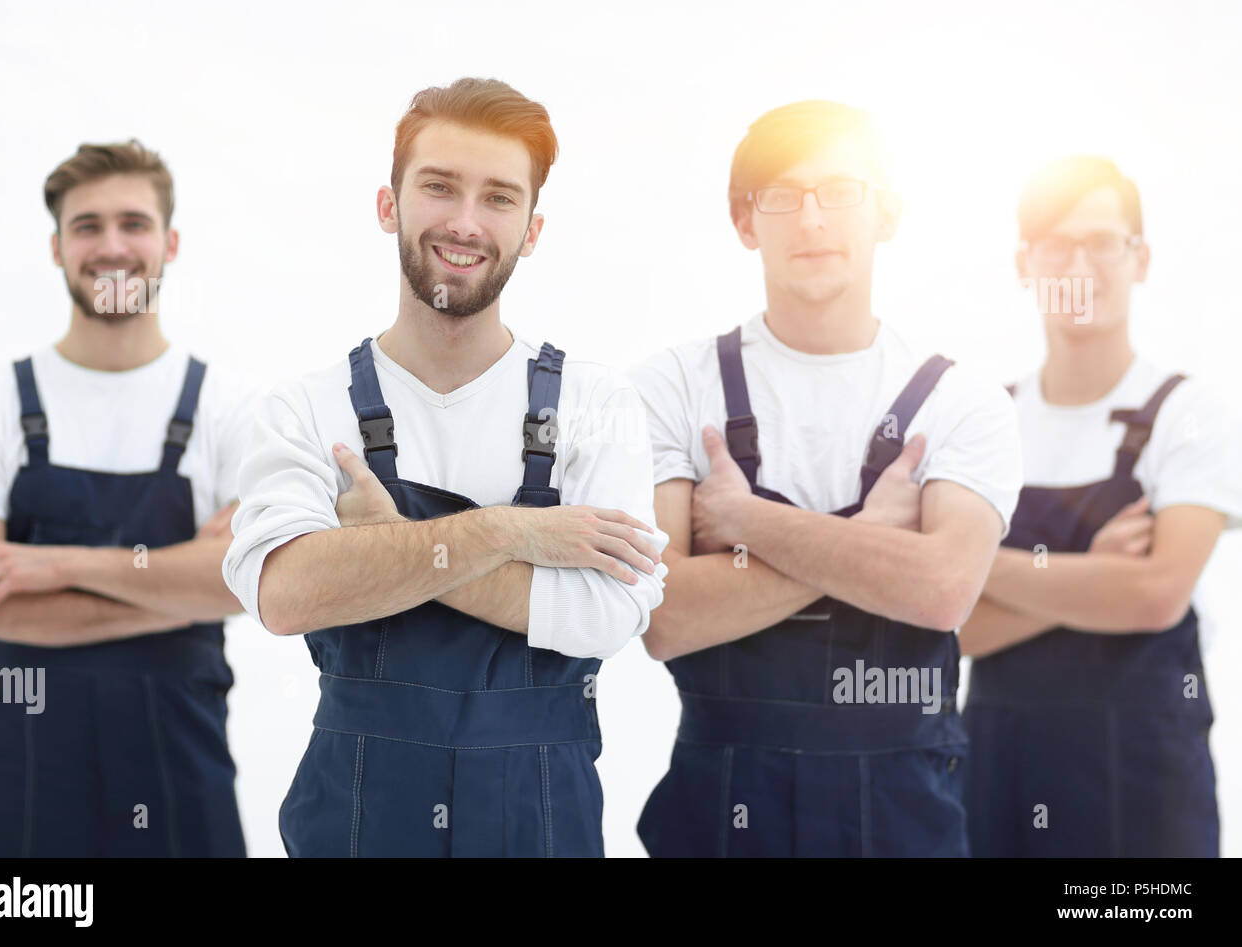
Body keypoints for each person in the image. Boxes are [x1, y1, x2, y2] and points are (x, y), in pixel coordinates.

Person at [222, 77, 666, 858]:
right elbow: (285, 592)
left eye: (498, 197)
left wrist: (383, 549)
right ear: (388, 205)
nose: (465, 221)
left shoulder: (597, 402)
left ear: (531, 229)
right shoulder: (302, 409)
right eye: (439, 186)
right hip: (354, 824)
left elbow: (608, 613)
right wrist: (513, 533)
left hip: (541, 823)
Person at [629, 100, 1023, 857]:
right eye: (783, 196)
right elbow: (667, 615)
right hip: (721, 812)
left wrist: (750, 523)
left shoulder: (962, 401)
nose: (812, 219)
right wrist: (870, 544)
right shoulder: (672, 386)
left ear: (887, 214)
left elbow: (942, 590)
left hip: (905, 817)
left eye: (840, 191)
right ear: (746, 222)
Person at [0, 139, 251, 857]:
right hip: (16, 786)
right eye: (87, 226)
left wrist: (52, 566)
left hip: (181, 778)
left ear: (170, 243)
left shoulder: (231, 409)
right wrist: (185, 585)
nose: (112, 246)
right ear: (57, 248)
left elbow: (254, 580)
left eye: (133, 223)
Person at [960, 155, 1242, 857]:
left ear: (1140, 259)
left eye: (1103, 242)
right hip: (998, 786)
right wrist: (1094, 574)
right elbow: (949, 626)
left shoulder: (1189, 414)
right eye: (1057, 245)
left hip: (1145, 798)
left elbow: (1155, 595)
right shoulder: (982, 424)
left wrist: (975, 566)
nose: (1079, 266)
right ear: (1024, 264)